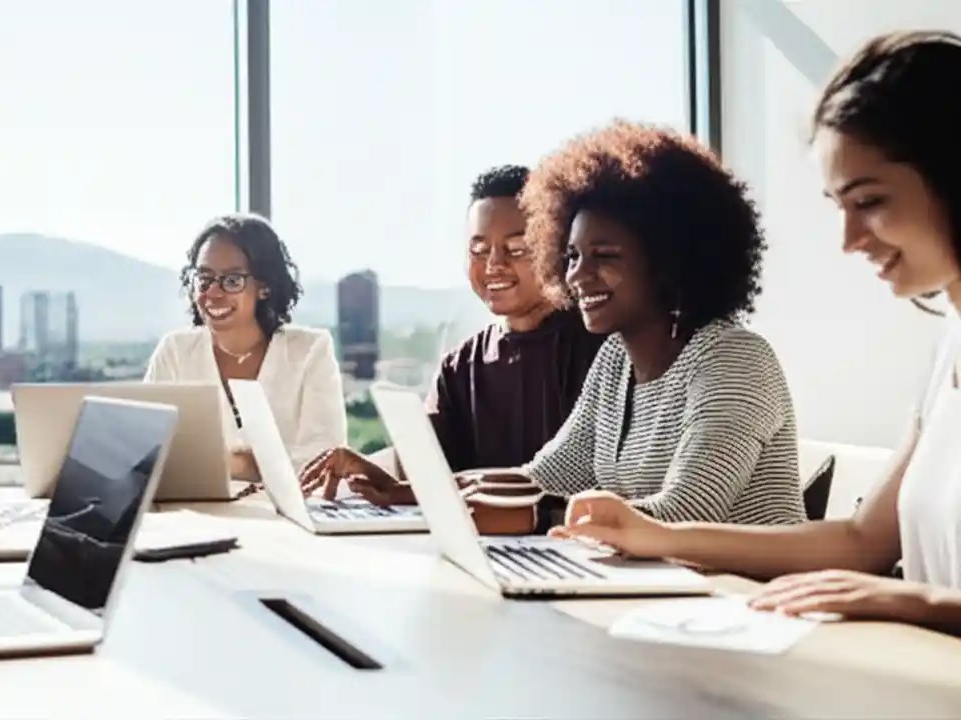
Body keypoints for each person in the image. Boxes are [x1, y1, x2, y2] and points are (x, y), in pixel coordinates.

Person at [554, 31, 961, 630]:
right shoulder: (948, 346)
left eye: (870, 201)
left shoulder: (730, 358)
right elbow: (861, 541)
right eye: (839, 206)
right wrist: (653, 535)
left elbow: (885, 574)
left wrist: (915, 601)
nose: (849, 240)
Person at [462, 121, 807, 534]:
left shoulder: (735, 360)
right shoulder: (615, 360)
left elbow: (687, 512)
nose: (577, 275)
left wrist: (538, 516)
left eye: (604, 256)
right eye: (572, 257)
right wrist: (429, 493)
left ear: (668, 261)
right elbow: (541, 479)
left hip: (745, 576)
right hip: (653, 573)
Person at [298, 165, 604, 528]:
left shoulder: (601, 350)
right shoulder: (461, 366)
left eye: (516, 248)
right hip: (474, 545)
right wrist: (377, 477)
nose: (494, 264)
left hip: (566, 544)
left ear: (556, 249)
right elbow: (432, 476)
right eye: (479, 249)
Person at [145, 213, 346, 478]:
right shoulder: (175, 351)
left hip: (287, 506)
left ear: (265, 287)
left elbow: (325, 460)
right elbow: (148, 453)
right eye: (204, 279)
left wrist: (239, 464)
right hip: (194, 504)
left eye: (232, 281)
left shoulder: (310, 351)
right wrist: (253, 464)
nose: (213, 293)